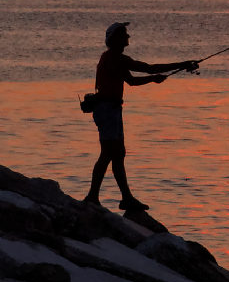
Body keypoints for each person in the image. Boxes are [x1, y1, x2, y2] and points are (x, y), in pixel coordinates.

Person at [83, 21, 199, 211]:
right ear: (115, 38)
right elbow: (148, 68)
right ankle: (92, 196)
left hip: (112, 109)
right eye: (125, 34)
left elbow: (131, 81)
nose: (128, 37)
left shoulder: (114, 58)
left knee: (118, 154)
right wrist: (182, 64)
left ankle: (126, 198)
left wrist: (153, 80)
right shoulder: (114, 58)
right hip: (107, 110)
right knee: (108, 153)